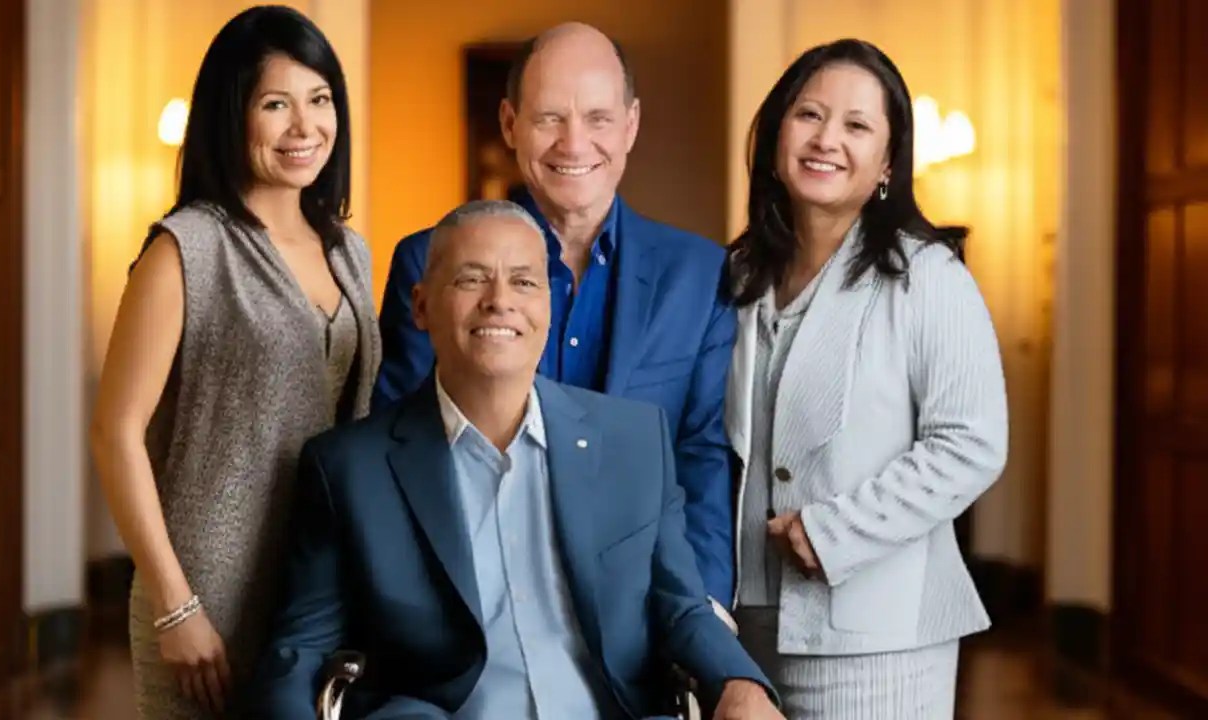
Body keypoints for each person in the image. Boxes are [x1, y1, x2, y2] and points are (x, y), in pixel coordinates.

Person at [256, 201, 784, 720]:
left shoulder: (634, 439)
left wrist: (740, 685)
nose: (499, 301)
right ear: (420, 306)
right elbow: (300, 653)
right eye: (471, 279)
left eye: (525, 282)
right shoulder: (349, 467)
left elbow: (682, 607)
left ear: (548, 308)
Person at [375, 22, 738, 613]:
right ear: (509, 124)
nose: (574, 144)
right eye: (549, 118)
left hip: (640, 614)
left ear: (631, 125)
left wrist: (706, 620)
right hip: (471, 603)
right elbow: (397, 446)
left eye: (597, 118)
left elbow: (700, 457)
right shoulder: (427, 260)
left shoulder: (699, 275)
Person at [89, 6, 380, 717]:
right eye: (275, 104)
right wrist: (173, 605)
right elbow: (115, 432)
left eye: (320, 100)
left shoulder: (350, 251)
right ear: (232, 113)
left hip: (316, 591)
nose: (304, 127)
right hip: (204, 598)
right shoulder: (185, 250)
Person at [722, 39, 1008, 718]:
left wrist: (834, 533)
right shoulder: (737, 277)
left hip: (878, 635)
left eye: (856, 125)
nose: (827, 139)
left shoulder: (929, 277)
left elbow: (971, 443)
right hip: (745, 627)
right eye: (809, 115)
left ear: (887, 161)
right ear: (775, 134)